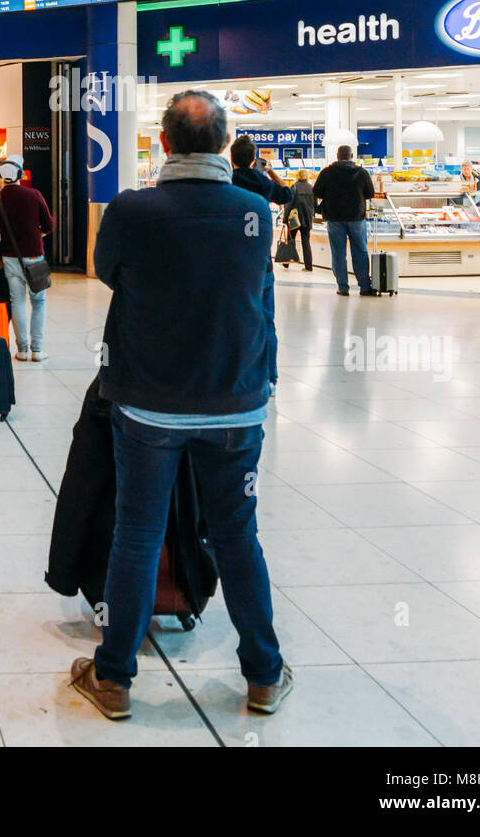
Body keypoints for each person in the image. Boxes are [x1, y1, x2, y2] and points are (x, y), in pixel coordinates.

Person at [69, 90, 289, 723]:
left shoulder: (133, 209)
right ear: (225, 145)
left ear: (163, 143)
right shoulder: (254, 210)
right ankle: (264, 676)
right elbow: (255, 288)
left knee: (136, 535)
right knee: (237, 535)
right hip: (236, 403)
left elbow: (106, 272)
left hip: (148, 404)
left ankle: (113, 679)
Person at [229, 135, 290, 390]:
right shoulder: (262, 182)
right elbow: (287, 195)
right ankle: (269, 378)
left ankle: (235, 376)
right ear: (254, 159)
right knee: (266, 322)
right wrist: (271, 173)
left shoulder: (226, 181)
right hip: (261, 262)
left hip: (232, 262)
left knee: (231, 320)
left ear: (231, 159)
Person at [0, 156, 53, 362]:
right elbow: (48, 226)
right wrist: (36, 235)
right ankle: (37, 350)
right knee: (39, 302)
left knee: (17, 302)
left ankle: (22, 349)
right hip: (35, 256)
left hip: (10, 257)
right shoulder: (34, 195)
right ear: (20, 174)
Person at [312, 145, 378, 297]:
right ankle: (364, 286)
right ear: (352, 155)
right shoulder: (361, 172)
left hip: (334, 218)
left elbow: (316, 192)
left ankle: (343, 287)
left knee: (338, 253)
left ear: (337, 156)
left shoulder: (327, 173)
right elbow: (370, 193)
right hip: (356, 217)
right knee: (360, 251)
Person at [283, 168, 316, 272]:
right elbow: (315, 205)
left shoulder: (294, 187)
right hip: (307, 219)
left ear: (298, 176)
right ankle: (308, 266)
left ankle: (286, 262)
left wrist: (285, 218)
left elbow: (289, 204)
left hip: (294, 219)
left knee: (290, 239)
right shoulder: (312, 188)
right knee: (306, 242)